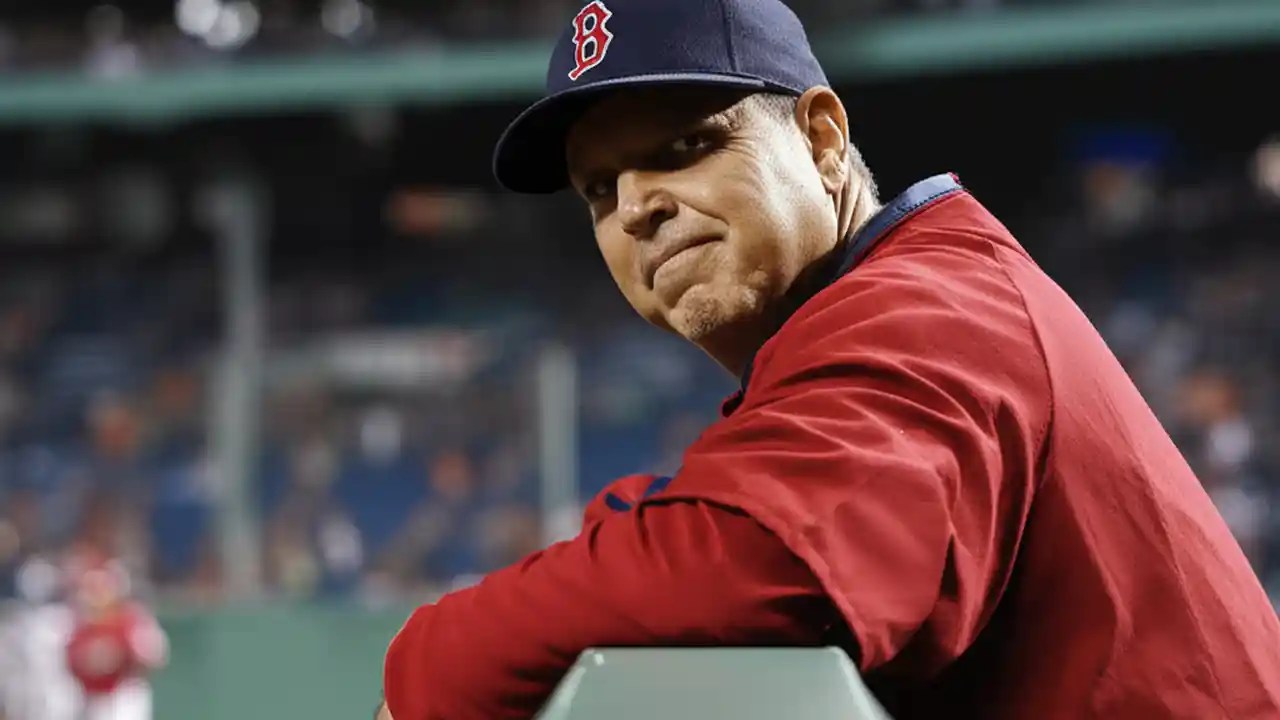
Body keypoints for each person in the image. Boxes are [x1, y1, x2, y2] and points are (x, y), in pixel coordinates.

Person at [380, 0, 1280, 717]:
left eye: (686, 146)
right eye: (600, 190)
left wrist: (437, 652)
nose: (637, 208)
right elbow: (708, 524)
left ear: (819, 138)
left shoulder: (930, 305)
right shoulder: (873, 319)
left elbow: (761, 564)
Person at [63, 558, 167, 720]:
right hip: (91, 699)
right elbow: (70, 664)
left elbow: (154, 659)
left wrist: (125, 657)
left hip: (124, 695)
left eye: (101, 588)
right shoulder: (79, 627)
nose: (96, 595)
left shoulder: (131, 621)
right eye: (91, 589)